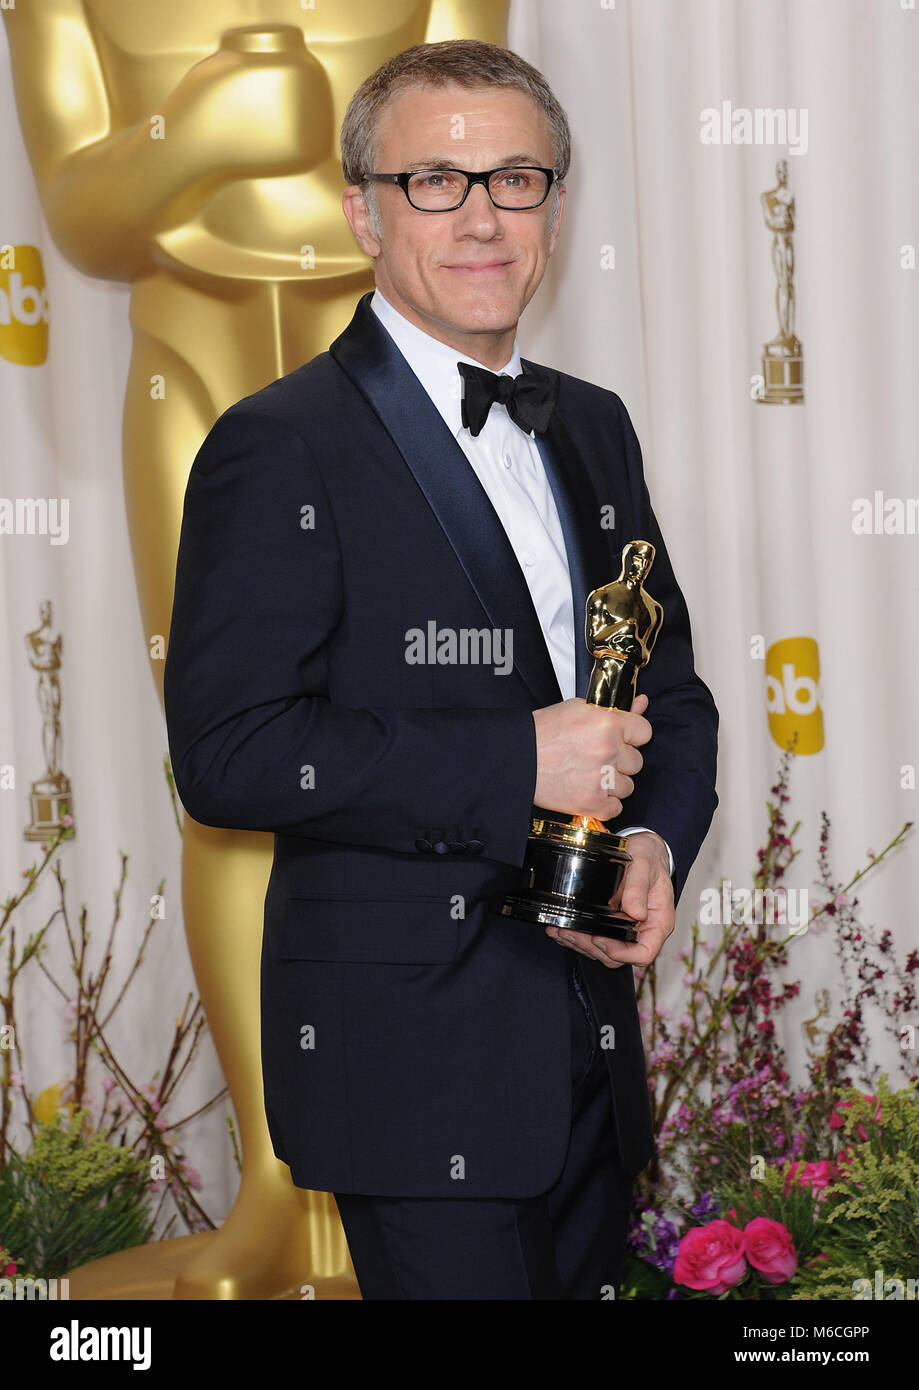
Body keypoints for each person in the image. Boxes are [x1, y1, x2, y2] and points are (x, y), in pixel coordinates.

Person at [164, 38, 718, 1300]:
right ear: (363, 210)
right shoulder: (276, 446)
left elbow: (665, 689)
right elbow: (230, 752)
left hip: (585, 1053)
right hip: (411, 1067)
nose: (481, 217)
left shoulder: (593, 422)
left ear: (556, 207)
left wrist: (657, 843)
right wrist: (518, 756)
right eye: (435, 182)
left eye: (515, 179)